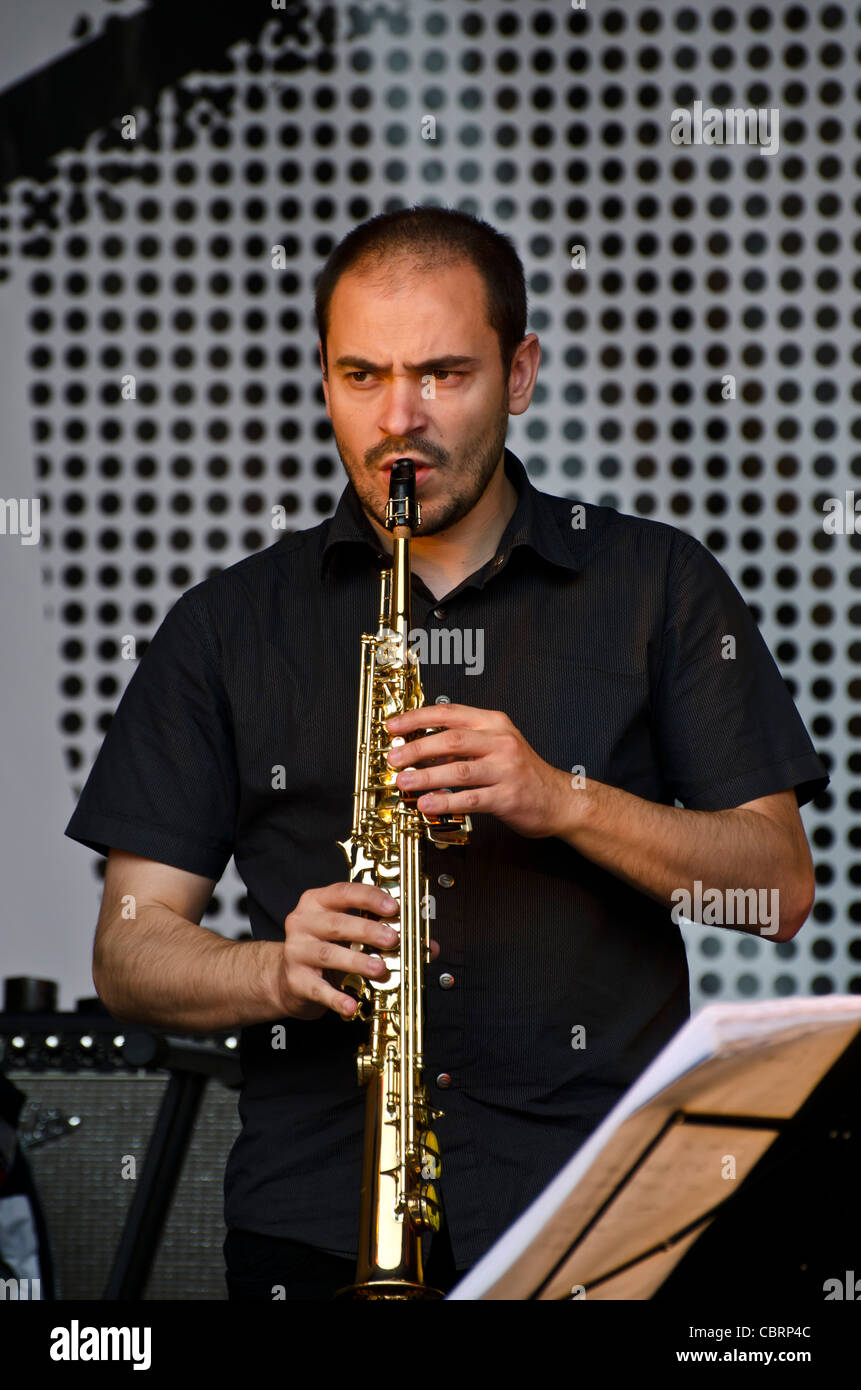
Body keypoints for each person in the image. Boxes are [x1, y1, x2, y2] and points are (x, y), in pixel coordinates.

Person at [65, 204, 829, 1301]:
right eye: (362, 375)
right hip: (318, 1224)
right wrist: (275, 968)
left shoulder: (658, 583)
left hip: (601, 1216)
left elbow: (779, 888)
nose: (399, 422)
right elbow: (129, 951)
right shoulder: (225, 625)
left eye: (444, 374)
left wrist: (563, 800)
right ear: (323, 375)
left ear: (520, 374)